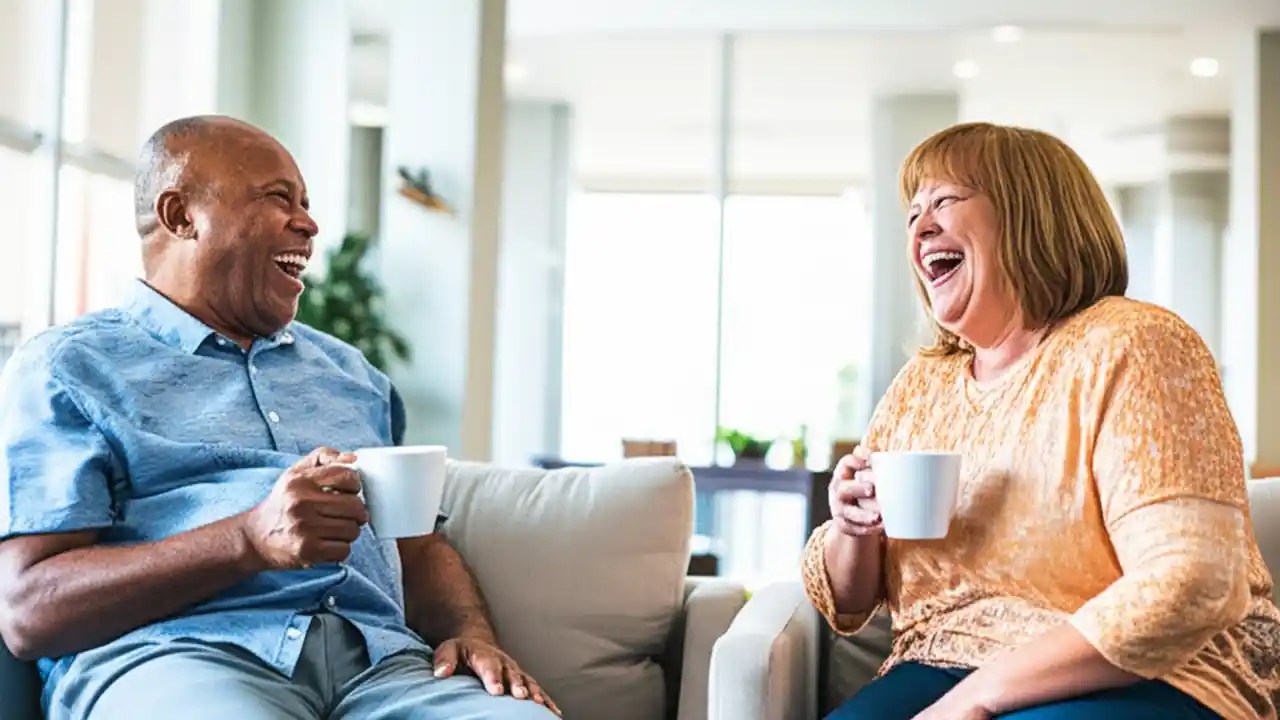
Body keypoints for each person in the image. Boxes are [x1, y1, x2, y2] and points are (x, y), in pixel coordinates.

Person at [0, 115, 559, 720]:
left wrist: (470, 631)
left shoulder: (352, 374)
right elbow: (29, 610)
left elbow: (416, 546)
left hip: (383, 668)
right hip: (179, 657)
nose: (309, 225)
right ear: (180, 215)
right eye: (278, 198)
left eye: (306, 204)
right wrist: (247, 539)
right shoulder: (69, 367)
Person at [804, 122, 1280, 720]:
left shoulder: (1132, 344)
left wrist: (978, 696)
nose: (920, 228)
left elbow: (1192, 582)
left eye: (945, 201)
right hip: (937, 666)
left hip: (1147, 671)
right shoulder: (920, 387)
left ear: (1030, 214)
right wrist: (853, 528)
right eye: (913, 214)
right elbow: (849, 605)